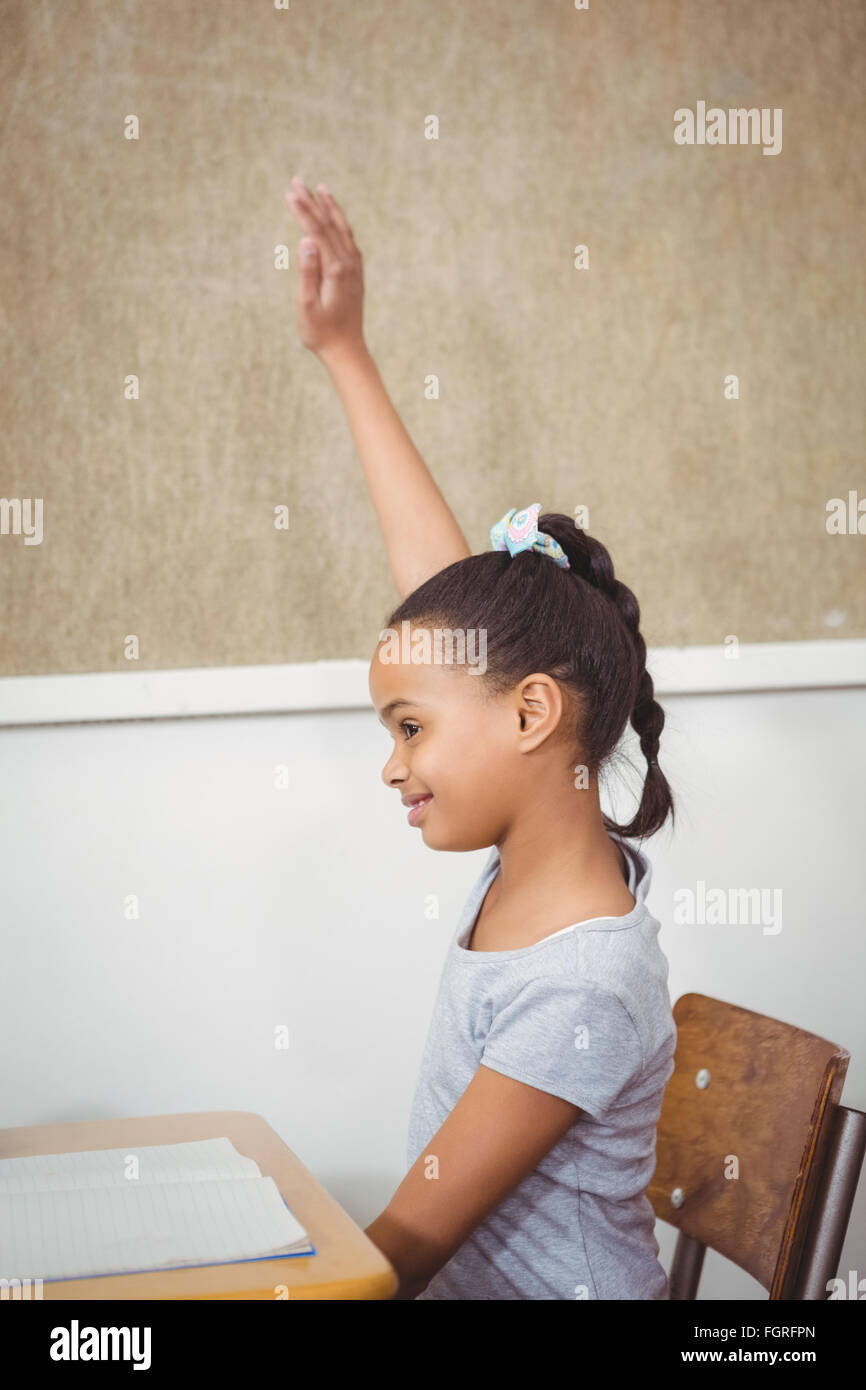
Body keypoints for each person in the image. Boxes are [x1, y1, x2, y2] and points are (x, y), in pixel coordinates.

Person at [285, 177, 678, 1300]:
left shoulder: (584, 978)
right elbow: (441, 611)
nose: (390, 762)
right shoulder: (541, 860)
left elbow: (401, 1250)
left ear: (529, 715)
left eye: (407, 728)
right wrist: (344, 352)